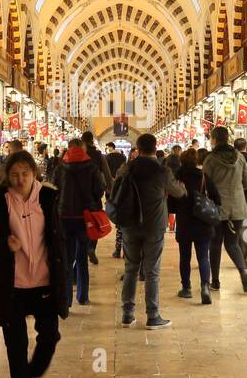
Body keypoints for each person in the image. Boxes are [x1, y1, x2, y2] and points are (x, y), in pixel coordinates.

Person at [0, 151, 69, 378]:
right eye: (14, 175)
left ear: (34, 173)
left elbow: (59, 240)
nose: (19, 180)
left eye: (24, 174)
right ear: (7, 175)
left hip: (44, 282)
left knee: (50, 336)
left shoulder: (49, 199)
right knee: (15, 345)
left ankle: (32, 375)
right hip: (11, 285)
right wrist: (4, 246)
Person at [112, 133, 186, 329]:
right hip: (154, 225)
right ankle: (153, 316)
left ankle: (127, 313)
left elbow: (115, 187)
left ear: (138, 148)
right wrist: (181, 188)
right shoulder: (161, 170)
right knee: (152, 272)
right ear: (155, 147)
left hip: (129, 223)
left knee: (131, 269)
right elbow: (178, 192)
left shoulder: (127, 168)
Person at [51, 137, 104, 307]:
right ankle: (83, 296)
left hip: (64, 217)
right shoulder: (92, 167)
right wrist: (92, 202)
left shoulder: (60, 168)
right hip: (84, 218)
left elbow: (53, 189)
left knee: (66, 259)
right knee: (82, 258)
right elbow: (99, 189)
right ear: (83, 149)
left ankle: (66, 299)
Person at [202, 126, 247, 293]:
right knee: (232, 243)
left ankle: (215, 281)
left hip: (217, 207)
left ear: (215, 139)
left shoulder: (211, 159)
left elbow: (205, 184)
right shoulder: (239, 157)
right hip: (238, 207)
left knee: (215, 244)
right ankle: (243, 272)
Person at [171, 147, 220, 305]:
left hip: (184, 222)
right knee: (203, 256)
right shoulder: (204, 177)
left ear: (181, 161)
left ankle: (186, 289)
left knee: (184, 257)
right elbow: (217, 199)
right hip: (203, 221)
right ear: (196, 161)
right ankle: (205, 287)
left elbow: (171, 202)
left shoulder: (177, 177)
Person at [80, 131, 112, 265]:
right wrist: (108, 188)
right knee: (95, 222)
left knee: (82, 222)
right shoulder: (98, 155)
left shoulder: (76, 154)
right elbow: (106, 171)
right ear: (92, 140)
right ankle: (91, 247)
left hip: (78, 195)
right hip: (94, 193)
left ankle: (84, 248)